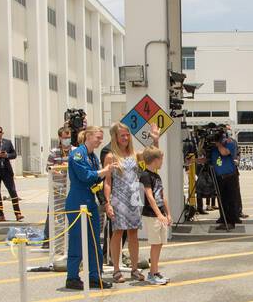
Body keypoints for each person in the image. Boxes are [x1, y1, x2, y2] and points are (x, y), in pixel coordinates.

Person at [61, 124, 114, 291]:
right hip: (77, 202)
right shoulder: (78, 154)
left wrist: (105, 202)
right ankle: (72, 277)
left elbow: (96, 182)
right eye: (98, 137)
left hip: (90, 201)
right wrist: (104, 171)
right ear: (89, 136)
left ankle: (94, 276)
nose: (100, 141)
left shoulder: (93, 157)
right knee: (77, 240)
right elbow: (85, 176)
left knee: (93, 241)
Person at [104, 121, 145, 283]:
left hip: (134, 197)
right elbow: (107, 182)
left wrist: (155, 140)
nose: (126, 138)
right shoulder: (110, 157)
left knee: (134, 232)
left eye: (127, 135)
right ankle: (116, 270)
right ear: (115, 137)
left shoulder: (135, 154)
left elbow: (153, 155)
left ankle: (134, 269)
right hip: (118, 198)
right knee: (118, 232)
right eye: (122, 135)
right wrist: (107, 203)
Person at [138, 146, 171, 285]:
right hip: (152, 215)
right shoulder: (145, 175)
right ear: (155, 160)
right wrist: (158, 214)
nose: (162, 162)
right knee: (155, 243)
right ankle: (152, 274)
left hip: (160, 214)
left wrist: (168, 213)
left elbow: (162, 196)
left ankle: (155, 271)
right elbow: (150, 196)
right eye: (161, 159)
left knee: (160, 243)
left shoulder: (157, 176)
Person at [209, 125, 241, 230]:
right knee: (221, 200)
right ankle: (223, 220)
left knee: (230, 200)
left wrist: (218, 144)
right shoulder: (214, 148)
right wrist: (195, 160)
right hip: (219, 177)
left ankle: (231, 222)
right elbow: (207, 159)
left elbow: (224, 152)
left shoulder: (230, 143)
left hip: (230, 177)